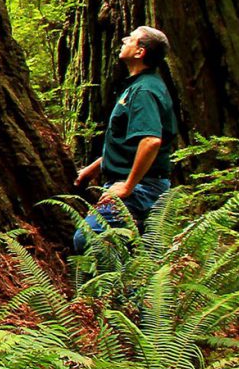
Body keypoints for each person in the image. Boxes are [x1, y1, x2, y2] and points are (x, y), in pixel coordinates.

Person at [72, 25, 178, 252]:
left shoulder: (144, 91)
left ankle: (120, 288)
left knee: (87, 239)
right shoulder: (138, 87)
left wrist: (128, 186)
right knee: (133, 249)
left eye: (130, 39)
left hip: (142, 187)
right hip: (140, 183)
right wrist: (94, 168)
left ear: (140, 52)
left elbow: (151, 141)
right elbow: (129, 143)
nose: (123, 40)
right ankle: (128, 286)